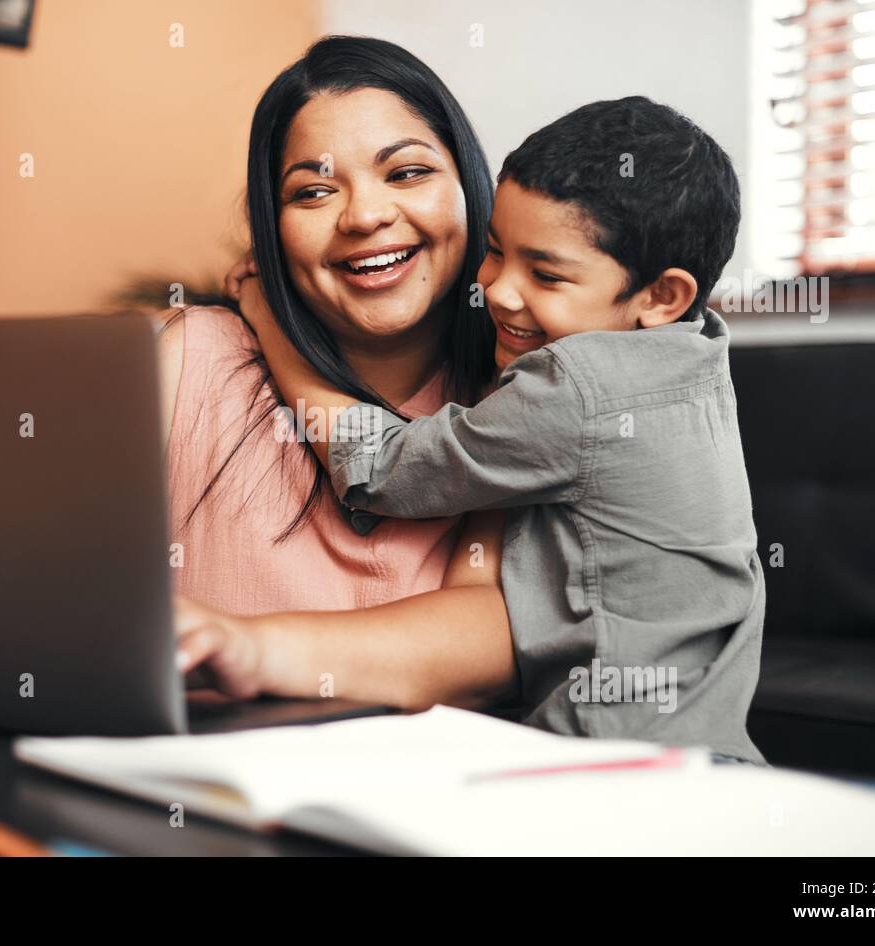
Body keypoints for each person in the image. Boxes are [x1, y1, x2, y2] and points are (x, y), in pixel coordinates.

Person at [237, 97, 767, 763]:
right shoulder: (697, 354)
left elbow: (382, 469)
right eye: (494, 252)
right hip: (711, 755)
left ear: (661, 297)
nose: (499, 291)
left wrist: (270, 322)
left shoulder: (579, 385)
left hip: (617, 772)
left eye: (545, 275)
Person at [162, 36, 517, 713]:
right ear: (273, 225)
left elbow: (494, 637)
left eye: (407, 173)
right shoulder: (186, 361)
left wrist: (250, 645)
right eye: (315, 190)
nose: (365, 216)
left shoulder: (527, 391)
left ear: (470, 185)